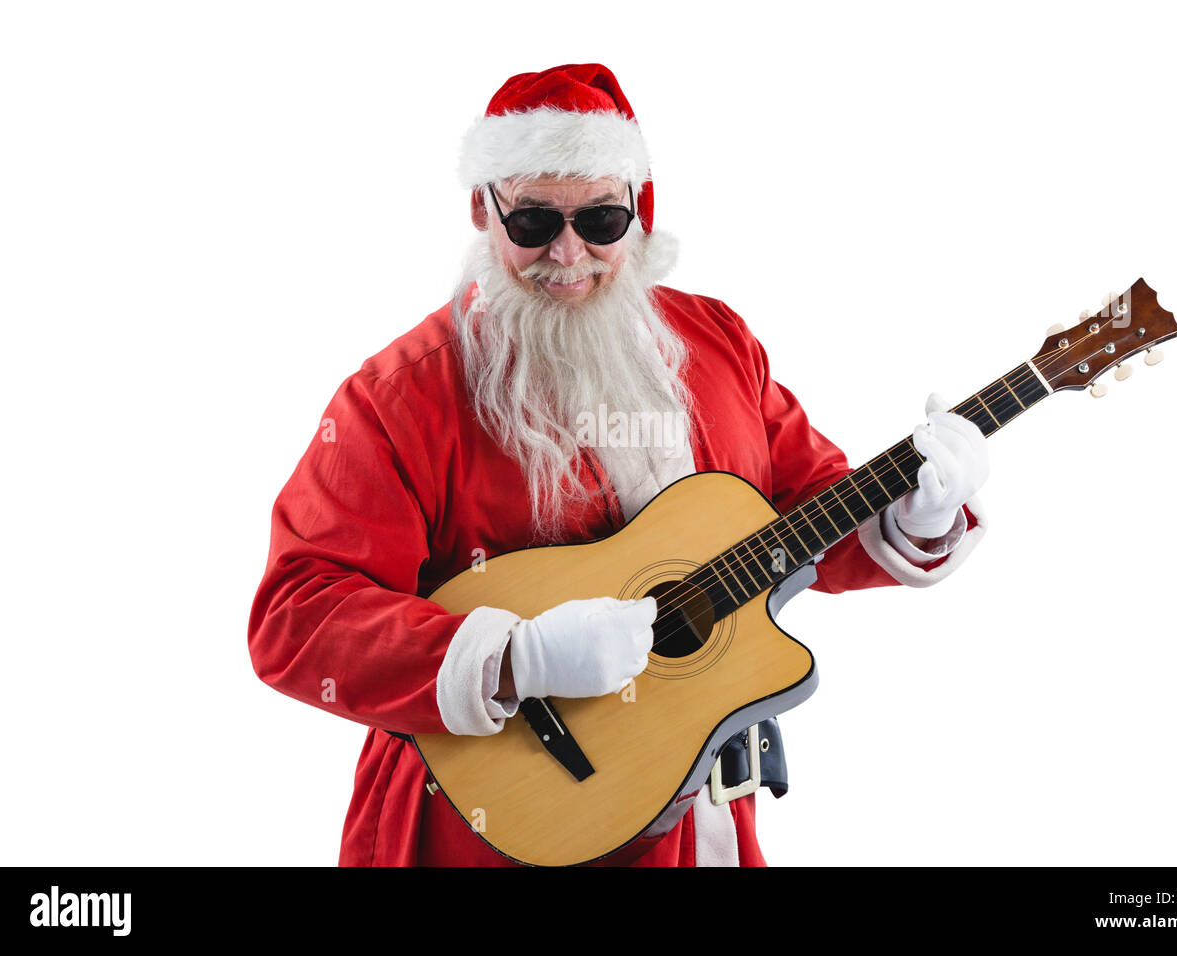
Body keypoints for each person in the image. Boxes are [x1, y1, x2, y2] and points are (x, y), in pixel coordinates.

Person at [247, 63, 990, 867]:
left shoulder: (716, 342)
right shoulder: (397, 399)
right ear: (481, 211)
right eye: (532, 221)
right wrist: (509, 658)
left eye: (600, 217)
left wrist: (914, 514)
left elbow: (799, 516)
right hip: (488, 832)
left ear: (642, 211)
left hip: (706, 820)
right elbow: (296, 618)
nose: (567, 253)